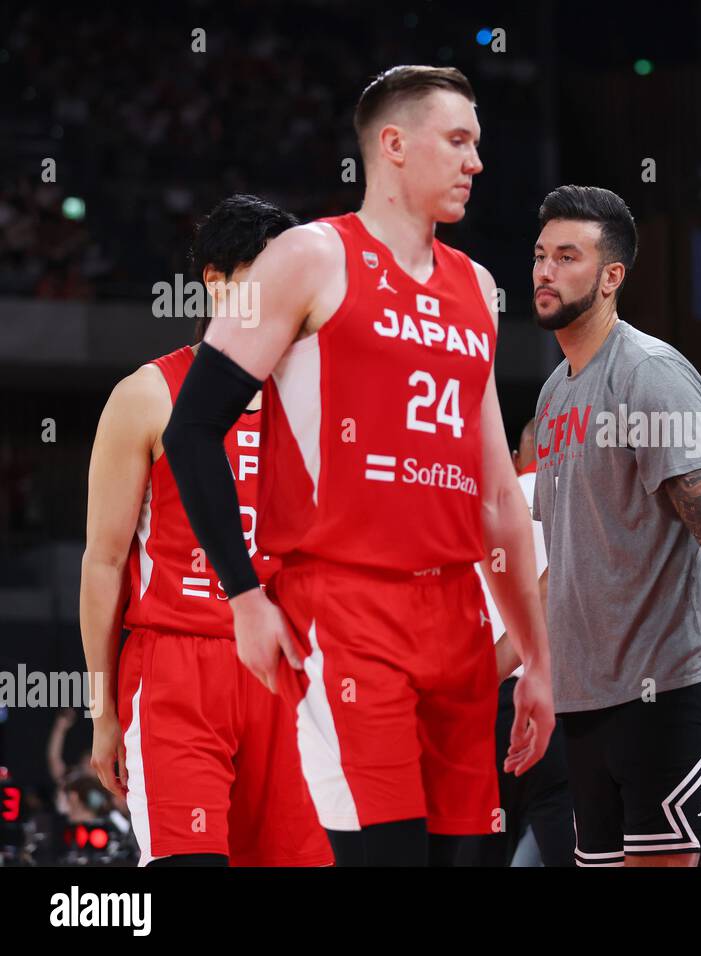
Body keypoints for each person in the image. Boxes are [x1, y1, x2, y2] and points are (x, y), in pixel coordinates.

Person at [161, 66, 553, 867]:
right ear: (394, 144)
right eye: (459, 141)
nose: (477, 162)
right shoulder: (306, 255)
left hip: (459, 617)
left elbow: (501, 499)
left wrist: (539, 661)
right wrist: (243, 596)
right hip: (344, 607)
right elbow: (192, 428)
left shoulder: (477, 286)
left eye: (477, 143)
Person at [531, 184, 701, 867]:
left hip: (667, 694)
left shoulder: (649, 375)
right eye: (540, 255)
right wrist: (521, 668)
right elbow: (566, 561)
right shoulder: (554, 395)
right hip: (585, 703)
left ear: (612, 276)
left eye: (567, 257)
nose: (545, 271)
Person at [80, 195, 331, 866]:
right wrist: (101, 712)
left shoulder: (317, 404)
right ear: (217, 281)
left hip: (289, 679)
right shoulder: (148, 393)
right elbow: (102, 564)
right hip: (176, 671)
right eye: (266, 277)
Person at [460, 418, 575, 867]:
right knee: (566, 846)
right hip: (562, 701)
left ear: (515, 459)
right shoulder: (583, 510)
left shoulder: (479, 504)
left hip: (485, 696)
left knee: (481, 845)